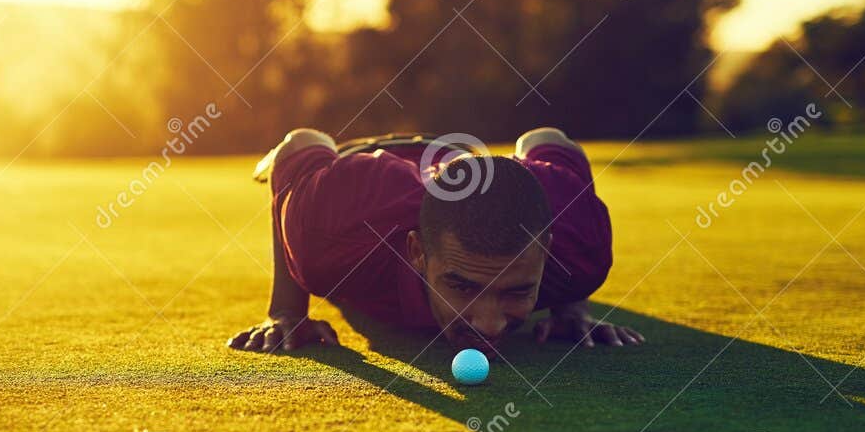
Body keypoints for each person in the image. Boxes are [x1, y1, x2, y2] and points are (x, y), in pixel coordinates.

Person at [228, 127, 644, 354]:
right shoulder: (332, 231)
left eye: (517, 290)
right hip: (372, 159)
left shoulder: (581, 250)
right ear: (417, 253)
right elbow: (301, 145)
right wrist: (286, 309)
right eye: (462, 285)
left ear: (548, 253)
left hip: (494, 172)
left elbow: (548, 139)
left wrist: (572, 305)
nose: (488, 324)